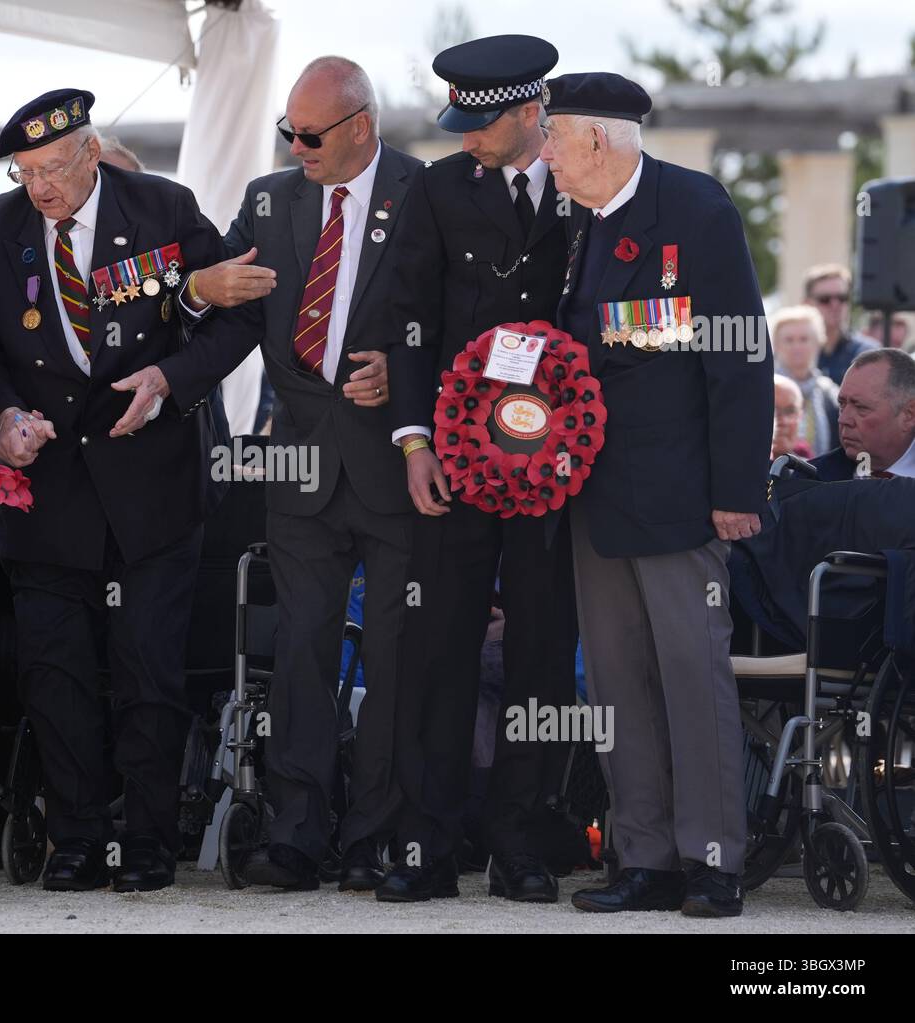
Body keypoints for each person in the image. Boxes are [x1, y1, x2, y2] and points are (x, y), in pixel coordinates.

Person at [0, 89, 258, 894]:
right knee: (55, 675)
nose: (40, 188)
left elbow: (234, 320)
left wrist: (170, 378)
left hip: (152, 488)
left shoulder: (163, 209)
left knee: (148, 671)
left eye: (53, 168)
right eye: (25, 173)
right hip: (46, 494)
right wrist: (6, 413)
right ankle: (77, 839)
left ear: (91, 154)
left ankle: (150, 840)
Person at [182, 55, 415, 893]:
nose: (295, 145)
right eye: (288, 130)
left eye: (311, 134)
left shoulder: (422, 193)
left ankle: (377, 837)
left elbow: (454, 318)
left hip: (397, 466)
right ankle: (295, 834)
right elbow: (233, 317)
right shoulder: (271, 199)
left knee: (393, 657)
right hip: (300, 466)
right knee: (302, 652)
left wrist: (401, 368)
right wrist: (196, 299)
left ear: (362, 126)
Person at [542, 72, 772, 917]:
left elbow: (739, 352)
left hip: (681, 493)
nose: (547, 158)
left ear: (598, 140)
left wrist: (737, 487)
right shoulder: (574, 221)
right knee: (615, 685)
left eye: (554, 139)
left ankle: (713, 860)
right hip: (595, 492)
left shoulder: (696, 209)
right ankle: (644, 858)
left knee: (690, 675)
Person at [382, 35, 575, 903]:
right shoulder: (437, 186)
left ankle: (520, 842)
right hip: (457, 463)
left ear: (530, 111)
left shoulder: (582, 188)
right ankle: (426, 841)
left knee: (541, 652)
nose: (466, 138)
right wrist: (416, 442)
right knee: (439, 648)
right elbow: (407, 317)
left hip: (559, 469)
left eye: (481, 124)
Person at [811, 348, 915, 481]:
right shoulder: (811, 480)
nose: (843, 419)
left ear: (909, 414)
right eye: (842, 404)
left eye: (861, 407)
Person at [771, 305, 838, 456]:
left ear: (818, 342)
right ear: (775, 345)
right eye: (789, 340)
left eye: (804, 339)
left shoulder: (830, 394)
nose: (797, 347)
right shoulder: (764, 390)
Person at [804, 263, 878, 386]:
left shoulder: (868, 353)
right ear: (806, 304)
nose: (835, 305)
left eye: (842, 298)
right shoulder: (789, 350)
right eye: (825, 299)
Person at [771, 375, 810, 460]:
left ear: (801, 416)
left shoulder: (810, 471)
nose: (783, 421)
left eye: (790, 411)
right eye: (772, 410)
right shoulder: (738, 469)